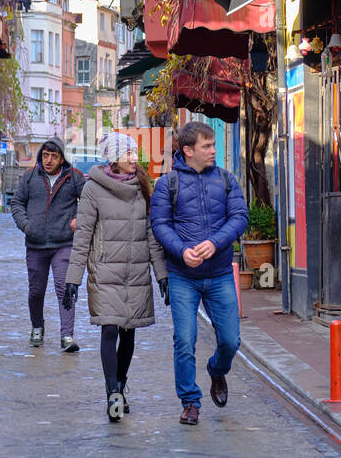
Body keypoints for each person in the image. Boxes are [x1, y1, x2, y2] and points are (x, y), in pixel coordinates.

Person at [63, 132, 168, 423]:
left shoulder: (143, 187)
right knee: (110, 330)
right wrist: (73, 278)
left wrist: (161, 275)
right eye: (129, 154)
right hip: (105, 271)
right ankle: (112, 393)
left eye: (135, 154)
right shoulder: (93, 189)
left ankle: (121, 383)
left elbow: (151, 237)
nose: (135, 159)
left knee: (129, 332)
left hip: (135, 272)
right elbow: (82, 235)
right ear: (114, 159)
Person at [149, 121, 248, 425]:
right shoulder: (167, 185)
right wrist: (182, 251)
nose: (213, 151)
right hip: (183, 276)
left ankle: (217, 370)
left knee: (231, 340)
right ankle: (190, 401)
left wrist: (215, 243)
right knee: (184, 339)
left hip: (219, 274)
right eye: (207, 146)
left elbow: (240, 217)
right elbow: (160, 225)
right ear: (188, 151)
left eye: (214, 145)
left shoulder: (227, 180)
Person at [10, 137, 87, 352]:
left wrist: (76, 221)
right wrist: (26, 226)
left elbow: (90, 202)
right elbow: (16, 203)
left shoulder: (74, 177)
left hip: (63, 243)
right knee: (36, 291)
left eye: (54, 156)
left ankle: (67, 336)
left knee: (64, 288)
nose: (49, 160)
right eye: (45, 155)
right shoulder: (30, 177)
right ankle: (37, 327)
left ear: (62, 158)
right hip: (35, 244)